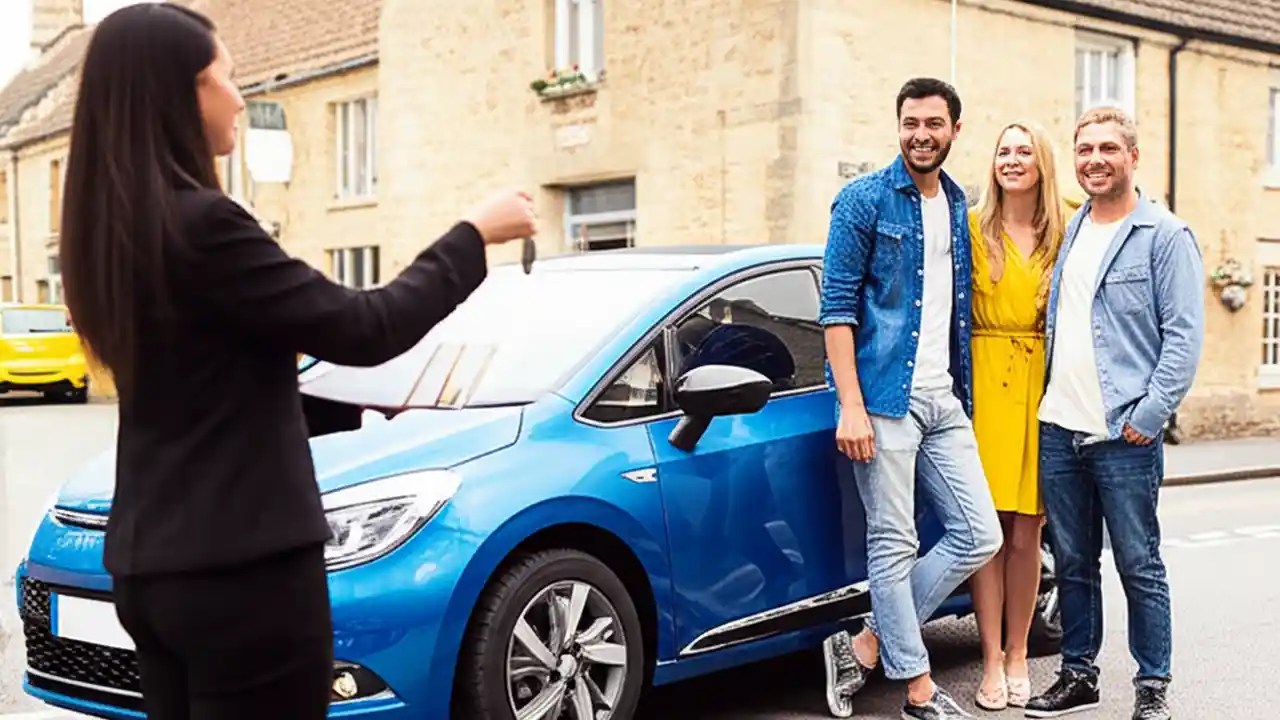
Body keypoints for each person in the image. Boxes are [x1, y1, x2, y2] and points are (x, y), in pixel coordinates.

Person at [57, 5, 535, 719]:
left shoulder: (108, 239)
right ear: (179, 93)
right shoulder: (206, 225)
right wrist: (472, 234)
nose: (240, 98)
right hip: (242, 574)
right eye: (226, 76)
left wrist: (329, 410)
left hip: (152, 567)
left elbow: (202, 381)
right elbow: (364, 327)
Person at [817, 77, 1003, 720]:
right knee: (892, 542)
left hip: (943, 400)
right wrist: (850, 405)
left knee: (980, 535)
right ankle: (919, 691)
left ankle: (866, 642)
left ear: (955, 129)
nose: (920, 134)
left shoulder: (956, 204)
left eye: (933, 124)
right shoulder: (863, 200)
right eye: (910, 123)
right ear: (898, 126)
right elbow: (836, 310)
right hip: (884, 399)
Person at [1025, 106, 1204, 720]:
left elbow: (1182, 339)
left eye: (1107, 148)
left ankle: (1152, 688)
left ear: (1133, 156)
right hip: (1060, 426)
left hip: (1125, 432)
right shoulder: (1073, 228)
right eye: (1084, 150)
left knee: (1138, 561)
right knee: (1074, 563)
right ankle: (1079, 674)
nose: (1094, 160)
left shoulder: (1165, 236)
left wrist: (1149, 416)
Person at [965, 121, 1069, 711]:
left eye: (1024, 151)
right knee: (986, 534)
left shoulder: (1067, 227)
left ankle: (1018, 653)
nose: (1012, 159)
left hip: (1039, 387)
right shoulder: (973, 227)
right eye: (1003, 150)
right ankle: (987, 660)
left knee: (1027, 530)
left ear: (1042, 163)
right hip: (983, 381)